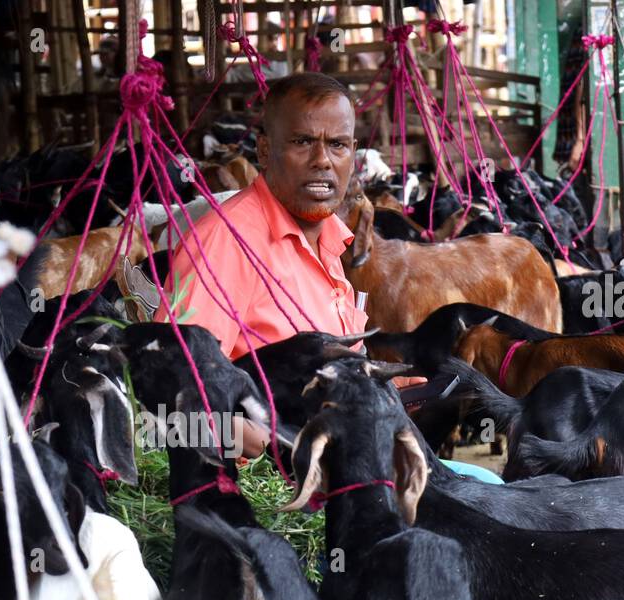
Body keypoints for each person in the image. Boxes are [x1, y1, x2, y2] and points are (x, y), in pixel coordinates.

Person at [152, 72, 428, 457]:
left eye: (337, 145)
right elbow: (167, 400)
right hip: (272, 493)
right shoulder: (225, 242)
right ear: (264, 151)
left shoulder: (331, 240)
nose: (322, 161)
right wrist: (268, 441)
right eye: (302, 142)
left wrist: (380, 390)